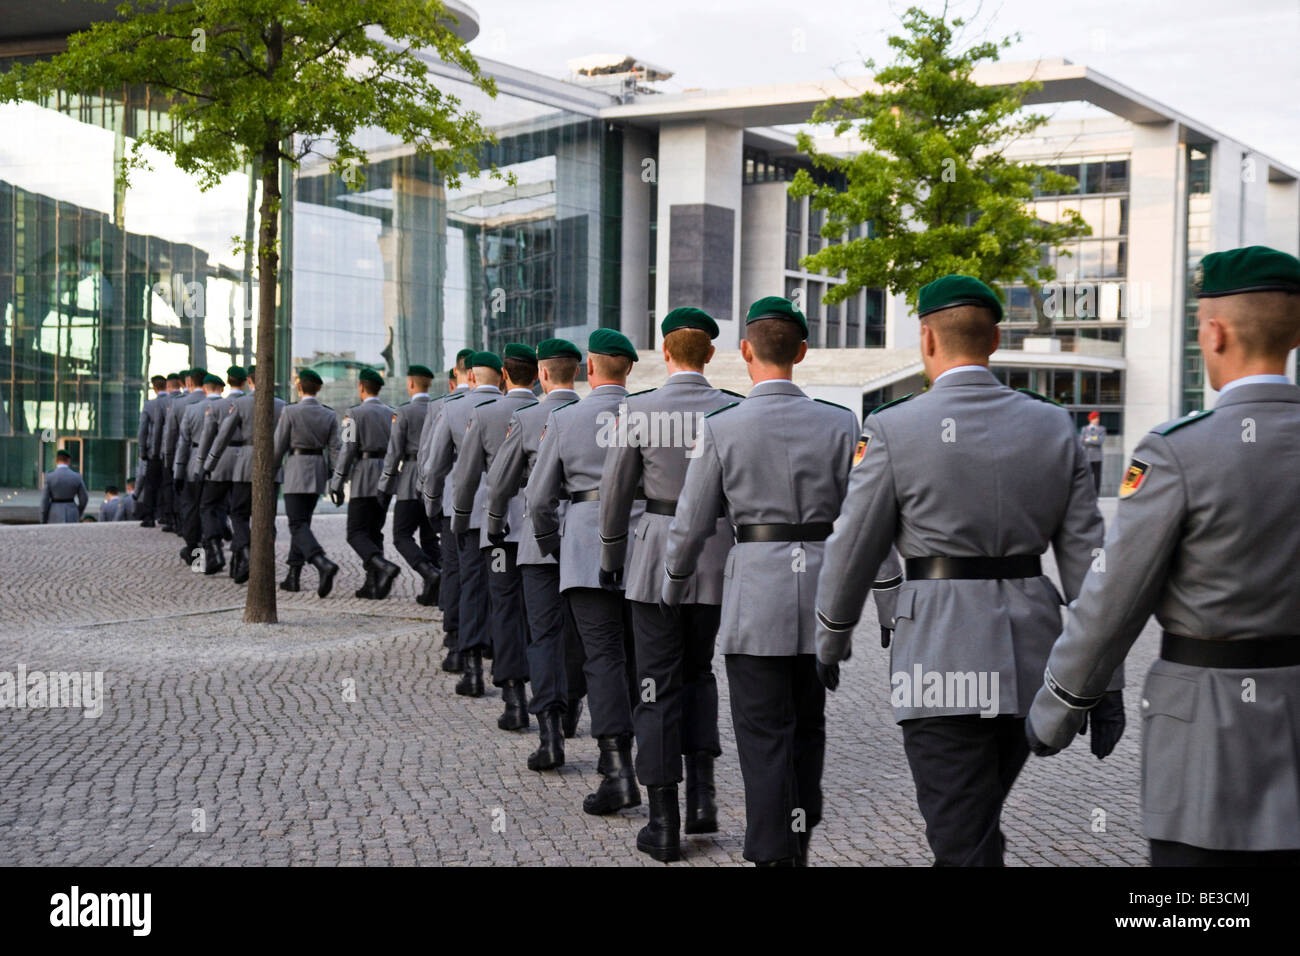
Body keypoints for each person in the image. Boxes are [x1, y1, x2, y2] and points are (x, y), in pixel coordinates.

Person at [813, 275, 1109, 868]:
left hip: (938, 659)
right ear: (995, 338)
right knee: (974, 822)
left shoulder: (895, 427)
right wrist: (1107, 683)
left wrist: (831, 635)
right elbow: (1092, 569)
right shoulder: (1053, 425)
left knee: (960, 834)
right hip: (1029, 656)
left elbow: (852, 548)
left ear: (926, 337)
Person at [1027, 245, 1300, 867]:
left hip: (1207, 729)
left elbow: (1112, 599)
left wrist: (1057, 711)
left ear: (1214, 330)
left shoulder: (1179, 451)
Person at [663, 296, 856, 867]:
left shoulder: (722, 427)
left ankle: (775, 853)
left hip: (756, 595)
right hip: (821, 597)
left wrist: (674, 583)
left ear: (744, 351)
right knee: (808, 725)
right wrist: (887, 601)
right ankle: (798, 833)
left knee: (762, 732)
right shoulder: (840, 422)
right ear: (801, 351)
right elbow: (869, 522)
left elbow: (691, 523)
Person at [598, 306, 739, 862]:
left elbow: (615, 495)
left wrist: (611, 557)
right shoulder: (733, 408)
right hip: (717, 554)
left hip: (655, 552)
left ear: (663, 352)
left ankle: (663, 823)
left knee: (655, 683)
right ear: (710, 354)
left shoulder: (637, 410)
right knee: (700, 671)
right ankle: (703, 798)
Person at [528, 328, 644, 816]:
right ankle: (651, 761)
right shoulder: (650, 415)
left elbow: (538, 499)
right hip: (644, 547)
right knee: (642, 659)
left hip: (583, 544)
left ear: (589, 369)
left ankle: (614, 768)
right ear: (629, 369)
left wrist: (557, 544)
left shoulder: (564, 418)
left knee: (601, 659)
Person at [485, 339, 587, 770]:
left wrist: (493, 525)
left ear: (543, 374)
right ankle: (574, 706)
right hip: (587, 539)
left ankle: (549, 733)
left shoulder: (527, 420)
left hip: (537, 541)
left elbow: (500, 481)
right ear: (578, 373)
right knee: (583, 633)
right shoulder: (596, 415)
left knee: (542, 634)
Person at [451, 345, 539, 732]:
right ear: (538, 375)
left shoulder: (484, 414)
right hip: (541, 528)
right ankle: (558, 702)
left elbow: (466, 477)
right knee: (542, 615)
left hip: (497, 529)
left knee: (503, 608)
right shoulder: (552, 411)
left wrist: (459, 518)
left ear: (505, 374)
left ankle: (514, 698)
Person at [425, 352, 504, 697]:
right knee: (504, 589)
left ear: (469, 377)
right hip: (508, 515)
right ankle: (504, 662)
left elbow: (434, 465)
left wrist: (431, 504)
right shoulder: (519, 408)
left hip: (467, 512)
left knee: (470, 584)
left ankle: (469, 666)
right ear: (501, 376)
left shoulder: (452, 408)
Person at [418, 352, 474, 669]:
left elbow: (430, 460)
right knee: (482, 577)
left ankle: (454, 641)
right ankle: (482, 640)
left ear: (456, 372)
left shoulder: (444, 406)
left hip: (454, 505)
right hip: (492, 508)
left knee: (454, 570)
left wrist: (431, 502)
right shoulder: (507, 402)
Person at [206, 365, 286, 584]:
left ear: (250, 381)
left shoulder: (240, 403)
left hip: (245, 466)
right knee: (267, 518)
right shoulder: (282, 405)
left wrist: (210, 462)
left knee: (239, 513)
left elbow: (223, 436)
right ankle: (261, 561)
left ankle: (248, 553)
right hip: (272, 464)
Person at [329, 368, 401, 599]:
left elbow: (348, 448)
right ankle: (374, 585)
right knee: (374, 531)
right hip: (386, 476)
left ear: (361, 387)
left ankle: (382, 566)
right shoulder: (392, 413)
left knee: (356, 533)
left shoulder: (354, 414)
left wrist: (337, 481)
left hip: (363, 477)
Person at [273, 369, 341, 597]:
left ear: (299, 387)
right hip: (317, 470)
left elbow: (278, 445)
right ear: (318, 388)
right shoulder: (329, 415)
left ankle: (321, 562)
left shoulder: (290, 411)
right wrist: (336, 479)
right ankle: (293, 576)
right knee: (302, 524)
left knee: (296, 524)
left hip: (296, 469)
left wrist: (269, 472)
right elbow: (335, 449)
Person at [377, 365, 441, 606]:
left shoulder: (403, 412)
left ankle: (429, 573)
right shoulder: (439, 410)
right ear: (428, 384)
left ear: (411, 384)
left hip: (410, 479)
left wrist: (385, 486)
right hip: (436, 478)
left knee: (401, 536)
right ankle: (436, 587)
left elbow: (394, 453)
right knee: (429, 537)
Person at [197, 366, 247, 575]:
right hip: (245, 461)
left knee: (209, 505)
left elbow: (208, 437)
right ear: (244, 382)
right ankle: (239, 558)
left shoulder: (217, 406)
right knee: (239, 512)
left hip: (221, 460)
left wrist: (203, 464)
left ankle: (215, 549)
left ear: (228, 381)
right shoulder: (250, 404)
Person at [174, 373, 224, 571]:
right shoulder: (228, 408)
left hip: (195, 463)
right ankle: (215, 550)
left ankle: (197, 558)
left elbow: (183, 443)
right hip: (221, 465)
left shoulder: (192, 410)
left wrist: (178, 470)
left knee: (193, 510)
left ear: (204, 388)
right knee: (216, 509)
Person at [163, 368, 207, 539]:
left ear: (189, 382)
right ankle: (209, 542)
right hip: (214, 463)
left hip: (188, 461)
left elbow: (171, 436)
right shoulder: (220, 403)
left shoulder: (179, 404)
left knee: (189, 505)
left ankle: (194, 547)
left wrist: (170, 463)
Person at [135, 375, 167, 526]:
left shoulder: (149, 405)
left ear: (154, 388)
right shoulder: (173, 401)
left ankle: (149, 516)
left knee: (151, 485)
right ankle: (165, 515)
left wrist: (142, 450)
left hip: (153, 451)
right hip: (170, 452)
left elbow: (142, 430)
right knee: (166, 484)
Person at [154, 372, 185, 531]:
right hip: (192, 453)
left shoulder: (170, 402)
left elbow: (164, 430)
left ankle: (173, 519)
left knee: (169, 486)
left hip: (173, 452)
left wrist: (161, 452)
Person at [41, 450, 89, 524]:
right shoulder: (76, 476)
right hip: (71, 510)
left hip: (54, 511)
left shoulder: (49, 476)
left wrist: (43, 519)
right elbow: (84, 499)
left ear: (56, 460)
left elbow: (44, 500)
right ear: (69, 460)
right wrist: (77, 511)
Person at [1080, 411, 1107, 493]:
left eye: (1098, 418)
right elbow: (1081, 440)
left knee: (1097, 477)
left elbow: (1100, 441)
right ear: (1091, 419)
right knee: (1086, 476)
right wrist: (1094, 438)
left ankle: (1096, 493)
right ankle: (1087, 493)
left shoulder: (1102, 429)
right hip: (1087, 456)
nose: (1097, 420)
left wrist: (1089, 439)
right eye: (1095, 418)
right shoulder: (1084, 429)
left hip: (1097, 457)